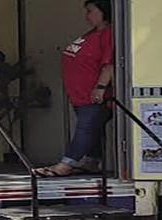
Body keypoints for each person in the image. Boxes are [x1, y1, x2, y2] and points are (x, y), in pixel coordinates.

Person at [37, 0, 113, 177]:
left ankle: (66, 164)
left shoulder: (108, 35)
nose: (87, 16)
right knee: (94, 128)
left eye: (91, 11)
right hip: (79, 94)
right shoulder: (92, 34)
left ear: (104, 12)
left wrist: (100, 87)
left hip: (94, 96)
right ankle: (93, 161)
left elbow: (109, 64)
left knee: (86, 128)